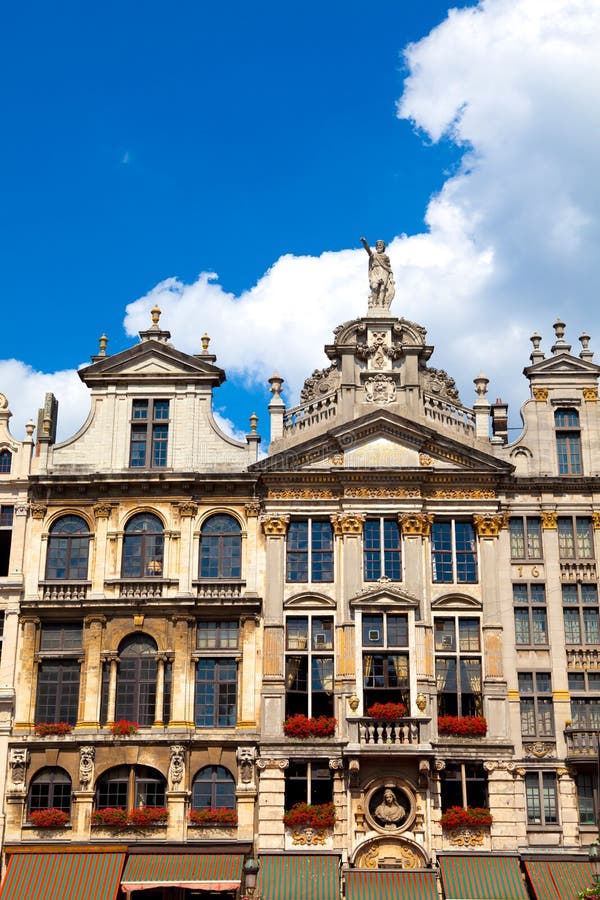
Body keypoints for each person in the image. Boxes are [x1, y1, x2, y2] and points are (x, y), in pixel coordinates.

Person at [360, 237, 396, 309]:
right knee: (374, 287)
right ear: (376, 247)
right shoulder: (373, 255)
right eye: (378, 246)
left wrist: (391, 278)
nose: (379, 247)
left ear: (383, 248)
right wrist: (364, 242)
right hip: (375, 272)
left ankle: (380, 304)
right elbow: (367, 249)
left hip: (384, 272)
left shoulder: (386, 257)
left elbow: (389, 269)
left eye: (381, 246)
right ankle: (374, 303)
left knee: (383, 289)